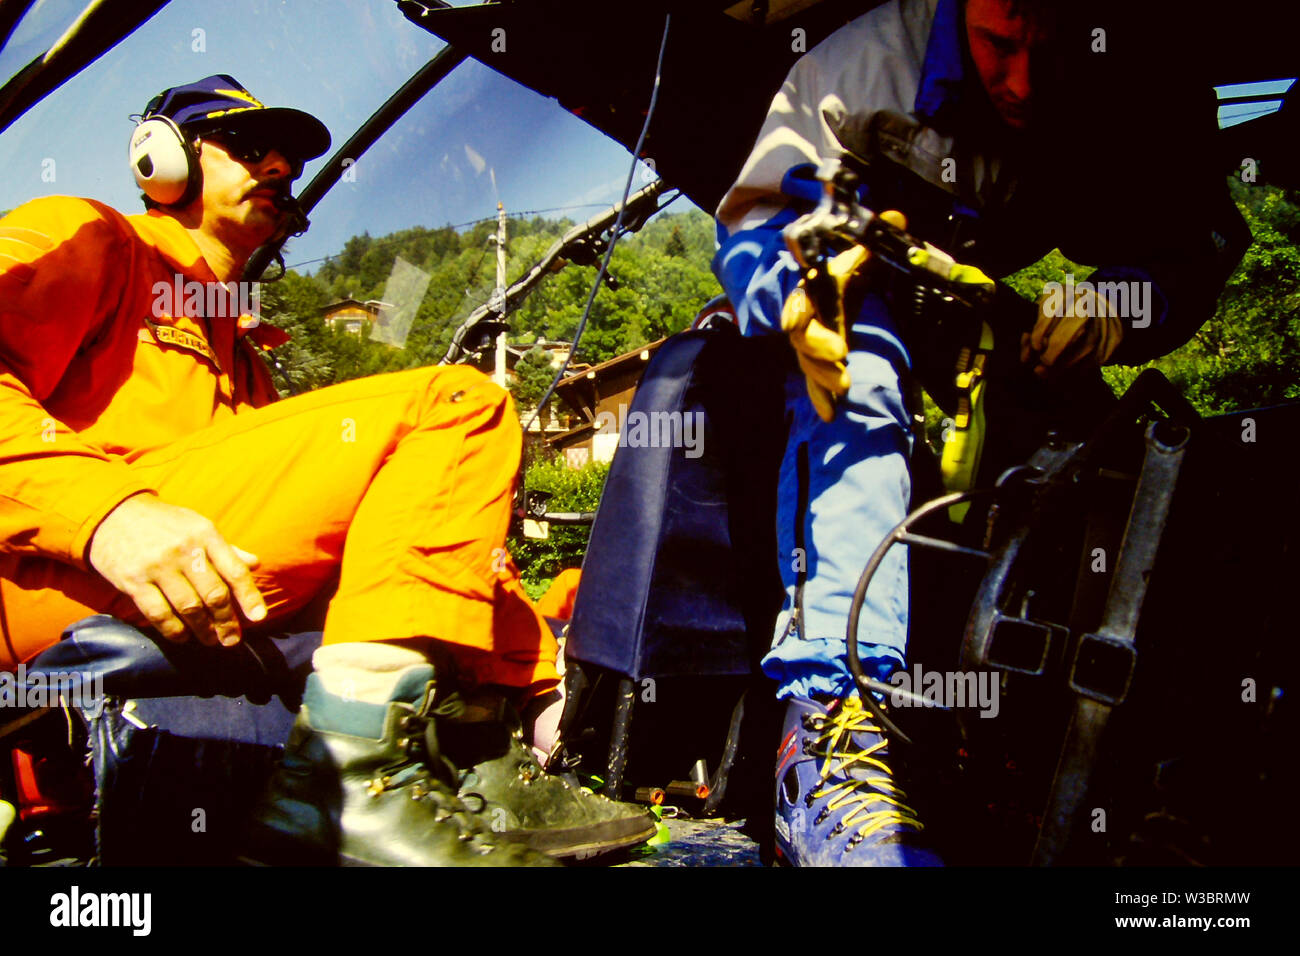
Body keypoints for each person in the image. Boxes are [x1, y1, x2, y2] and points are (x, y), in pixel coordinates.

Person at [0, 75, 653, 866]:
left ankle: (486, 751)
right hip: (55, 566)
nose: (278, 166)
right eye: (246, 147)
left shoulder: (240, 352)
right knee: (454, 405)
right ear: (161, 159)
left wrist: (536, 674)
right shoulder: (91, 238)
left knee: (414, 523)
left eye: (290, 158)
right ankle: (346, 784)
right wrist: (108, 515)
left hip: (200, 564)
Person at [713, 0, 1248, 865]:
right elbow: (760, 216)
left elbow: (1199, 235)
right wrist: (793, 292)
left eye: (1055, 47)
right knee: (862, 379)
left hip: (980, 303)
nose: (1025, 86)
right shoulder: (864, 66)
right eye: (1001, 45)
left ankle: (1146, 770)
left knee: (1115, 445)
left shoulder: (1146, 74)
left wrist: (1119, 300)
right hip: (861, 282)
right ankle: (831, 744)